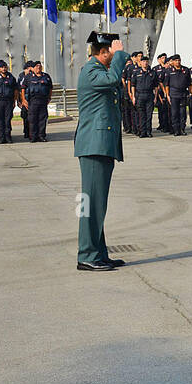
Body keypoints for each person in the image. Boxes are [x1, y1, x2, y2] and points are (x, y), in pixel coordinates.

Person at [74, 30, 128, 271]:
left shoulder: (99, 70)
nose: (113, 57)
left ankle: (98, 252)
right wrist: (120, 56)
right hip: (94, 146)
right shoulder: (92, 72)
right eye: (110, 53)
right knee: (91, 203)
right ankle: (87, 255)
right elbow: (112, 80)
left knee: (96, 203)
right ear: (103, 52)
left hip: (99, 145)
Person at [24, 60, 54, 142]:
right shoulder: (28, 77)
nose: (38, 68)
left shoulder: (46, 76)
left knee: (42, 119)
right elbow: (22, 89)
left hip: (43, 100)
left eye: (40, 66)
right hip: (33, 100)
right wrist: (23, 100)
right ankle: (33, 136)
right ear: (33, 68)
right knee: (33, 119)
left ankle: (41, 136)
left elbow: (50, 88)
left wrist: (49, 98)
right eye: (36, 66)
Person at [130, 53, 156, 137]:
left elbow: (156, 86)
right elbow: (133, 86)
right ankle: (142, 132)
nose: (145, 63)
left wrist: (155, 97)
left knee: (149, 115)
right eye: (143, 61)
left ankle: (148, 132)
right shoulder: (136, 73)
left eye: (146, 61)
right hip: (139, 96)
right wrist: (133, 97)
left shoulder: (152, 73)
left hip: (149, 95)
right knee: (141, 115)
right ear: (140, 63)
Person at [163, 54, 191, 135]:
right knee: (174, 113)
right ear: (173, 62)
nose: (178, 62)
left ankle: (182, 129)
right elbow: (167, 85)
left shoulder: (185, 70)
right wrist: (167, 95)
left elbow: (189, 83)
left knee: (183, 113)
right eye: (176, 60)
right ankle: (176, 130)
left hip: (183, 94)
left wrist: (190, 93)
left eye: (179, 60)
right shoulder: (169, 71)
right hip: (173, 94)